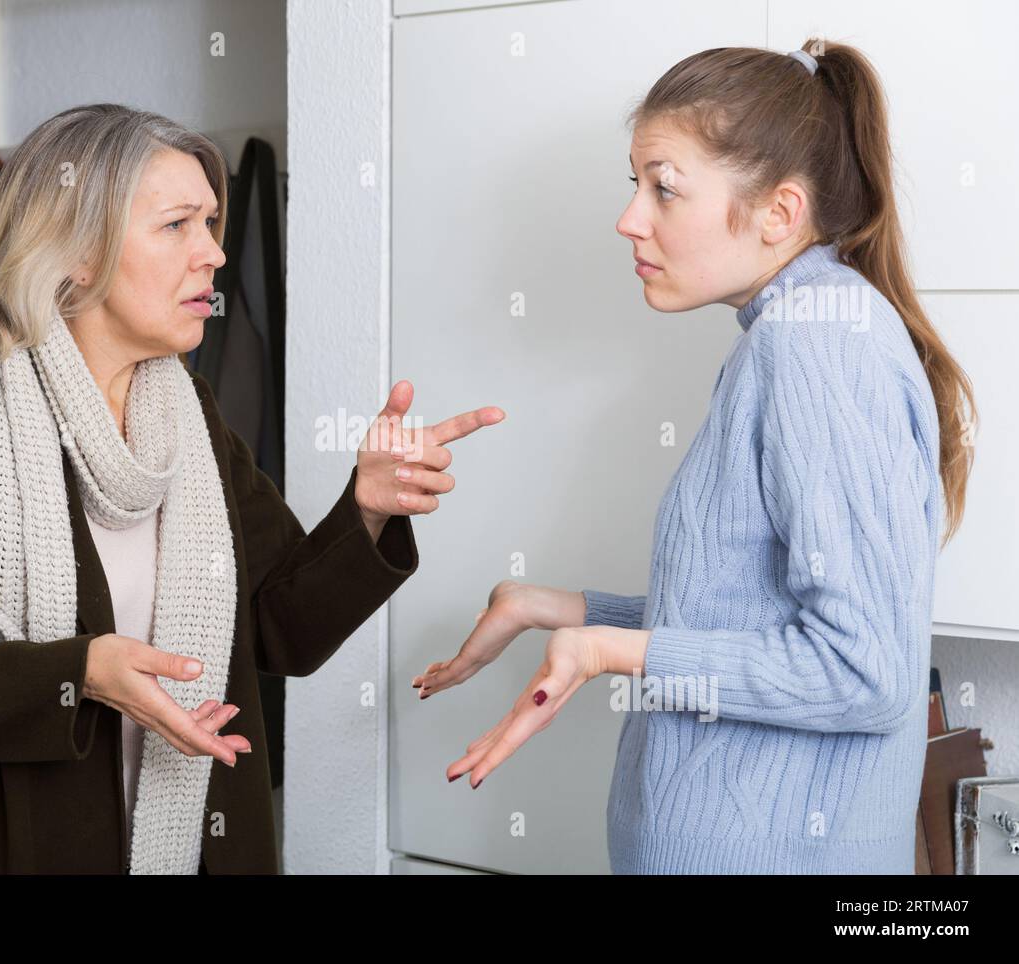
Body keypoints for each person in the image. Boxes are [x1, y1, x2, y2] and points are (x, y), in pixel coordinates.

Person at [0, 103, 504, 874]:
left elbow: (283, 628)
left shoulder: (191, 420)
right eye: (178, 225)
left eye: (211, 223)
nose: (211, 254)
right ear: (76, 251)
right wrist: (77, 675)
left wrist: (367, 510)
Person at [414, 40, 976, 874]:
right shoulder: (788, 334)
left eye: (664, 188)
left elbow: (863, 674)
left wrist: (613, 653)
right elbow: (747, 623)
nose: (629, 218)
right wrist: (561, 609)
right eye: (633, 184)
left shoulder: (817, 348)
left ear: (779, 214)